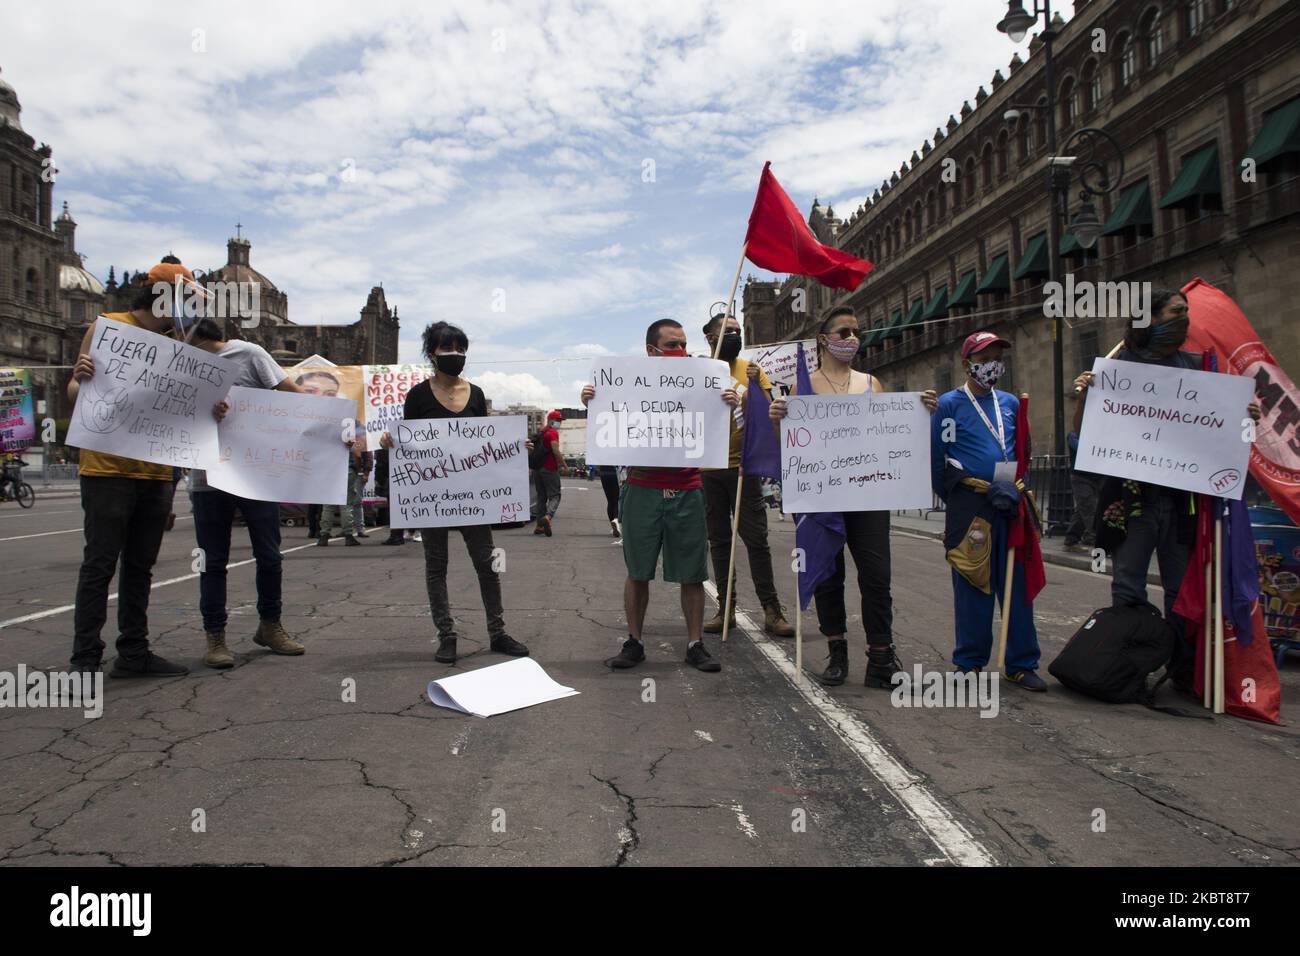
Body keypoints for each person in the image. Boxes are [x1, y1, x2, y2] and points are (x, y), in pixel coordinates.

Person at [1073, 289, 1261, 688]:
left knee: (1180, 590)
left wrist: (1245, 415)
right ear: (1151, 318)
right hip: (1132, 502)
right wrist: (1086, 395)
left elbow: (1223, 429)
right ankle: (1127, 666)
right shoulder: (1118, 367)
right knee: (1128, 585)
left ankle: (1182, 670)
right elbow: (1082, 432)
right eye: (1176, 313)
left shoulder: (1197, 367)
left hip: (1181, 504)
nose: (1185, 319)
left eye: (1186, 312)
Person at [771, 306, 937, 686]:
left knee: (877, 576)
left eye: (856, 332)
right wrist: (778, 420)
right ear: (824, 340)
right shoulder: (803, 386)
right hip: (823, 497)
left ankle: (881, 656)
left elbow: (891, 433)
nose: (851, 339)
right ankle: (837, 650)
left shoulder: (871, 383)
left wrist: (921, 414)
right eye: (843, 332)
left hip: (869, 495)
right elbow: (793, 447)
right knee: (829, 575)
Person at [65, 261, 212, 677]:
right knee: (99, 564)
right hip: (106, 468)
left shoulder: (177, 345)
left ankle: (133, 652)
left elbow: (187, 412)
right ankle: (84, 659)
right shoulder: (109, 326)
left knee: (139, 567)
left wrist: (212, 407)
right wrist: (80, 377)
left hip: (154, 474)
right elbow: (75, 392)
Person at [581, 318, 739, 673]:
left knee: (692, 574)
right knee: (638, 572)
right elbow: (610, 425)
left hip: (687, 489)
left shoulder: (704, 380)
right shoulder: (626, 385)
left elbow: (732, 426)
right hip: (642, 489)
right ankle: (634, 642)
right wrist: (593, 400)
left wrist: (731, 401)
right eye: (671, 344)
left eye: (683, 343)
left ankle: (695, 644)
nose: (680, 350)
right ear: (651, 350)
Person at [380, 321, 529, 663]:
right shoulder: (418, 396)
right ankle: (446, 635)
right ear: (432, 353)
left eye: (461, 349)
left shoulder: (475, 394)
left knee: (487, 564)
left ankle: (498, 632)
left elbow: (487, 443)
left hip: (474, 497)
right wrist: (392, 441)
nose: (456, 355)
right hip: (434, 498)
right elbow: (410, 446)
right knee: (436, 566)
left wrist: (512, 446)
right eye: (448, 349)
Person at [188, 318, 307, 668]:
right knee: (213, 562)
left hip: (256, 474)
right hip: (207, 478)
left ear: (199, 337)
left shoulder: (249, 354)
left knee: (270, 556)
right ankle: (216, 639)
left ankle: (270, 626)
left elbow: (294, 397)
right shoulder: (182, 365)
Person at [931, 331, 1046, 691]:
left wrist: (1013, 487)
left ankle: (1021, 663)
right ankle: (970, 663)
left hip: (1010, 502)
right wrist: (960, 494)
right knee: (972, 581)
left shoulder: (1010, 403)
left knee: (1016, 581)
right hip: (972, 503)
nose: (992, 365)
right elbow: (938, 457)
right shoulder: (948, 405)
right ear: (967, 365)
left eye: (998, 357)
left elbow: (1022, 448)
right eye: (984, 359)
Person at [700, 312, 794, 638]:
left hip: (744, 468)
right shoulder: (698, 371)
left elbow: (770, 417)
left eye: (738, 331)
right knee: (719, 541)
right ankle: (725, 609)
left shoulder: (753, 371)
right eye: (728, 331)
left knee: (757, 541)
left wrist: (756, 387)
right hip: (709, 470)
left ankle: (772, 610)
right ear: (710, 338)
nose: (735, 336)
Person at [318, 423, 365, 548]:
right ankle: (348, 535)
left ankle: (324, 535)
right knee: (346, 504)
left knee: (328, 504)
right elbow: (357, 450)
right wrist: (358, 467)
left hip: (329, 469)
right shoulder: (351, 424)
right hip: (346, 469)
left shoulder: (326, 424)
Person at [1062, 429, 1100, 554]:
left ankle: (1071, 540)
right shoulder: (1074, 434)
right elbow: (1082, 448)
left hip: (1096, 477)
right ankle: (1102, 543)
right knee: (1090, 509)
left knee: (1082, 510)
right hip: (1081, 478)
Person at [532, 410, 564, 536]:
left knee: (541, 497)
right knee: (555, 495)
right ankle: (548, 517)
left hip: (537, 469)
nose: (559, 423)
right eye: (558, 420)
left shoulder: (540, 431)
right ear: (551, 420)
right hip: (549, 468)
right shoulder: (552, 432)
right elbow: (555, 450)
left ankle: (539, 526)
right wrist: (563, 464)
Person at [598, 465, 622, 538]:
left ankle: (613, 525)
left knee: (610, 501)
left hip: (603, 472)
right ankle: (616, 524)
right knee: (616, 500)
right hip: (614, 472)